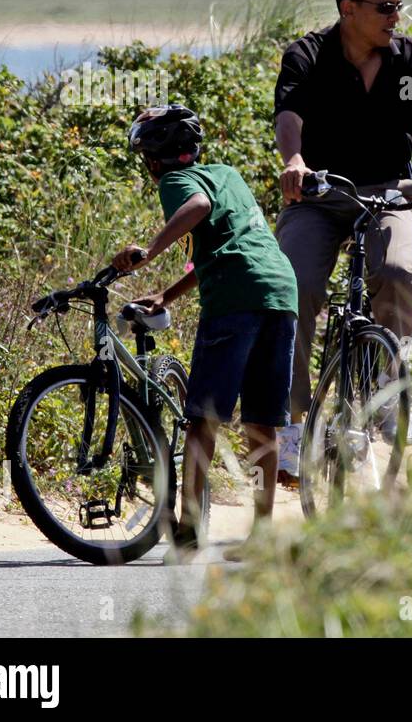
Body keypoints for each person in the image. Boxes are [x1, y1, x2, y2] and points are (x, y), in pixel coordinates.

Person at [272, 0, 412, 482]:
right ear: (348, 10)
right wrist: (294, 163)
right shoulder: (308, 56)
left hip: (388, 192)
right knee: (295, 289)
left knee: (399, 274)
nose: (396, 16)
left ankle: (384, 385)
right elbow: (289, 117)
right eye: (385, 7)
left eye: (399, 5)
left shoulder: (408, 62)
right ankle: (290, 426)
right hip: (320, 193)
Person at [112, 104, 298, 563]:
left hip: (235, 299)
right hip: (280, 289)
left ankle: (191, 528)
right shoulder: (227, 174)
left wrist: (150, 251)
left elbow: (197, 208)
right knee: (261, 423)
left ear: (153, 158)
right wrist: (169, 295)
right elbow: (227, 246)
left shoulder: (177, 183)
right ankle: (263, 535)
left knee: (204, 419)